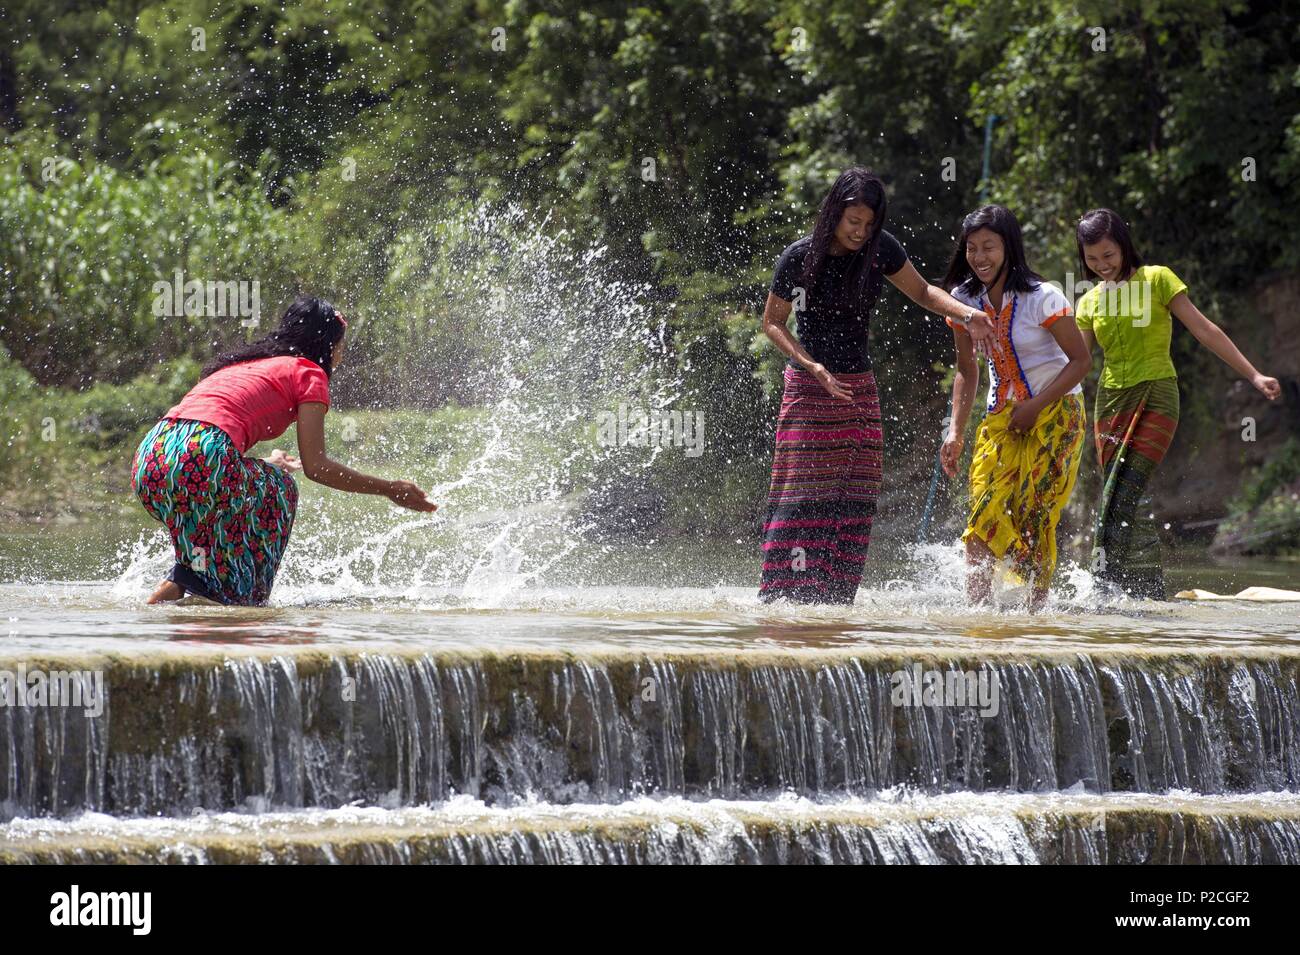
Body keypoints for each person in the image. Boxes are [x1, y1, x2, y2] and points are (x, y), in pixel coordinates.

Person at [758, 167, 997, 604]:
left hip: (858, 389)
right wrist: (811, 366)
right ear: (834, 213)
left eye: (869, 224)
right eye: (854, 222)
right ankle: (782, 600)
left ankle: (833, 600)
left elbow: (924, 293)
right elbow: (772, 324)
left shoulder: (879, 250)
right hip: (810, 387)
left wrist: (967, 314)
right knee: (802, 493)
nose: (861, 232)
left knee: (855, 495)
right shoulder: (798, 258)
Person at [130, 296, 437, 605]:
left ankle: (165, 605)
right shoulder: (309, 373)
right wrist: (388, 489)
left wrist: (266, 463)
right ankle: (253, 601)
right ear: (330, 345)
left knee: (198, 559)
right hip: (203, 462)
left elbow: (192, 445)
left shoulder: (240, 365)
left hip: (151, 459)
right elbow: (316, 467)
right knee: (281, 489)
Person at [1074, 209, 1281, 599]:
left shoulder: (1157, 279)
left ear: (1124, 246)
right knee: (1118, 495)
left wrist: (1253, 375)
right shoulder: (1089, 303)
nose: (1102, 265)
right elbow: (1078, 365)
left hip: (1156, 395)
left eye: (1109, 255)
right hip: (1110, 405)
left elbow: (1205, 329)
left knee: (1127, 488)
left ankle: (1128, 588)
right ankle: (1131, 590)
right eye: (1092, 258)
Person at [939, 205, 1091, 610]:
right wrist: (954, 431)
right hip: (1001, 419)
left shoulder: (1043, 297)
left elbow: (1081, 362)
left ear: (1009, 247)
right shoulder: (963, 301)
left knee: (1035, 512)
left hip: (1057, 414)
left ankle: (1034, 616)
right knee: (983, 511)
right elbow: (966, 370)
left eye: (989, 246)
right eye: (972, 248)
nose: (980, 257)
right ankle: (978, 616)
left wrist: (1036, 405)